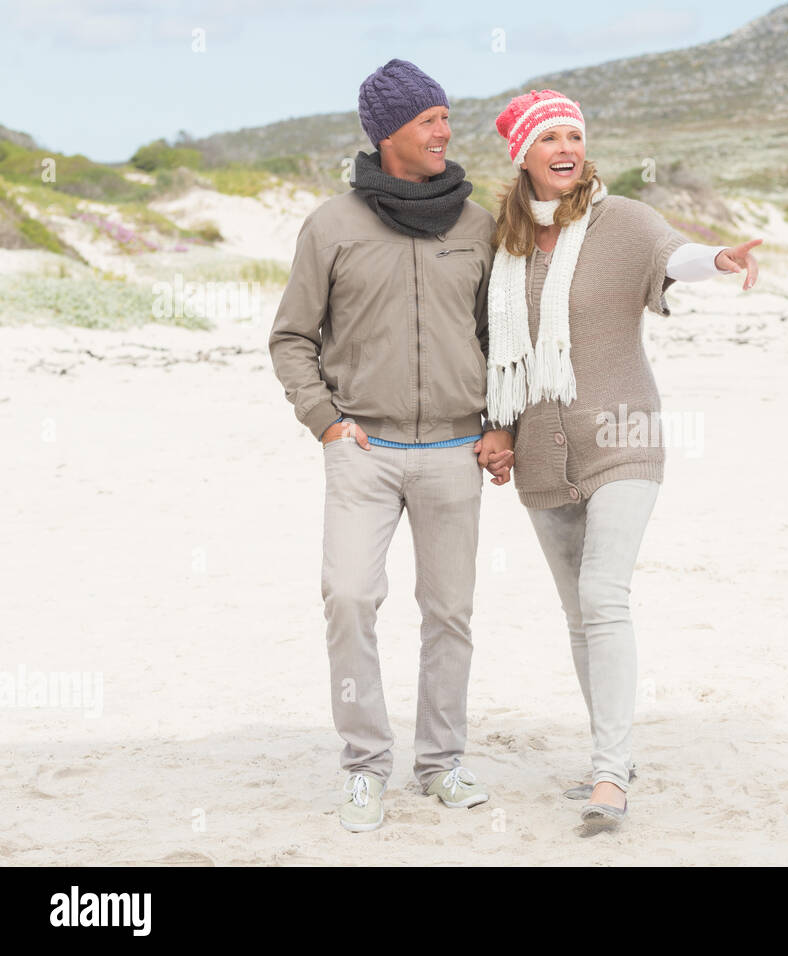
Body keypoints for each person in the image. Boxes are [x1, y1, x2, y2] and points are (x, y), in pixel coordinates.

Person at [480, 89, 762, 831]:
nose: (566, 147)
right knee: (579, 615)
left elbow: (676, 254)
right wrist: (498, 427)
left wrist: (720, 259)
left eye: (575, 134)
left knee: (604, 596)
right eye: (550, 138)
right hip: (541, 449)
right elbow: (491, 349)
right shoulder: (500, 244)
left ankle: (610, 777)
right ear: (525, 156)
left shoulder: (623, 220)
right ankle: (615, 756)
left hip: (625, 436)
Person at [267, 59, 513, 833]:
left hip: (456, 448)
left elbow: (498, 336)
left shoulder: (478, 225)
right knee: (347, 597)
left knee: (449, 613)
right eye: (429, 120)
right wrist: (327, 422)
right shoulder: (331, 226)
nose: (446, 131)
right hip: (362, 449)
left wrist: (502, 424)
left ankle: (440, 764)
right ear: (387, 134)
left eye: (445, 116)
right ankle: (366, 768)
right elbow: (292, 338)